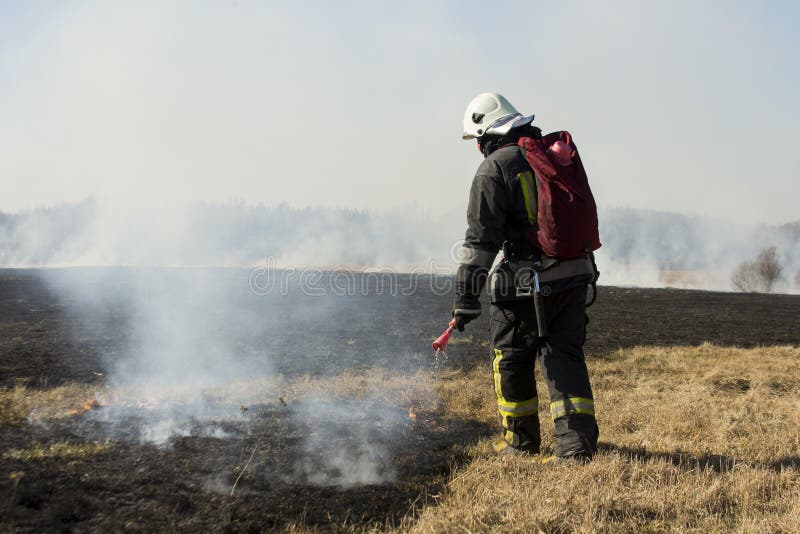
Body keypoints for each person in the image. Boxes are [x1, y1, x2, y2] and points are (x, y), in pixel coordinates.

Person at [452, 92, 600, 459]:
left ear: (486, 134)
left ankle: (521, 443)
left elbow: (480, 243)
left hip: (526, 287)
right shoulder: (552, 155)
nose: (478, 149)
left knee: (512, 359)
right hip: (574, 277)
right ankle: (576, 447)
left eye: (478, 141)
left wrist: (466, 299)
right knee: (565, 357)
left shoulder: (495, 167)